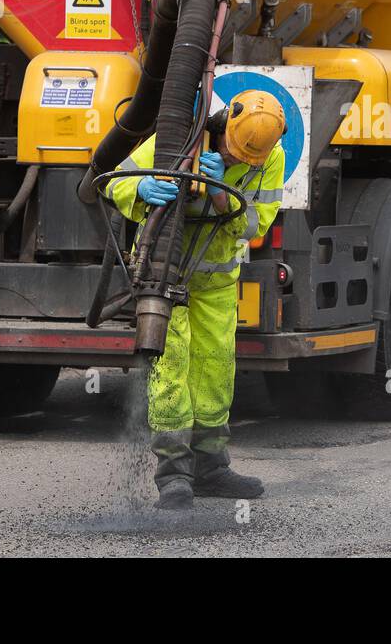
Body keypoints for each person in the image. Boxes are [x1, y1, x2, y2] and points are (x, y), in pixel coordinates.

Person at [108, 90, 286, 510]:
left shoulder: (267, 156)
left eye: (245, 159)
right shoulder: (188, 136)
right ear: (224, 126)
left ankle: (211, 468)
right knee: (171, 368)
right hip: (165, 271)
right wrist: (142, 187)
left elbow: (255, 225)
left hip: (217, 280)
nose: (237, 160)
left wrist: (223, 194)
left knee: (215, 370)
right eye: (232, 151)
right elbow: (116, 179)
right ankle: (173, 475)